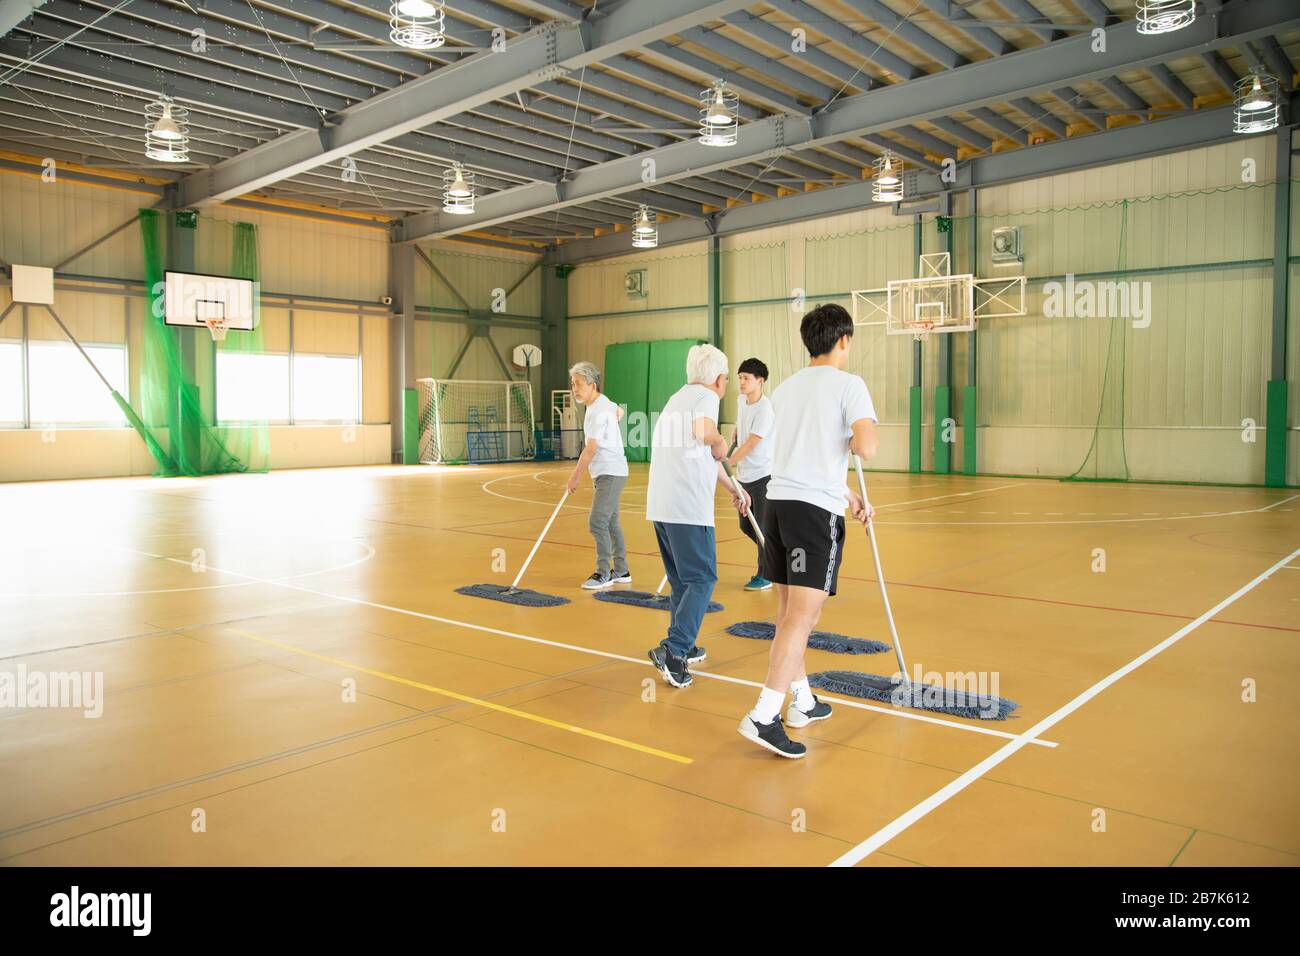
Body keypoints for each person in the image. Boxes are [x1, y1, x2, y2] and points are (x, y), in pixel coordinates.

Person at [737, 304, 879, 758]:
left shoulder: (789, 388)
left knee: (788, 613)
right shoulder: (850, 385)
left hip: (779, 505)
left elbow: (806, 453)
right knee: (802, 617)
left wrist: (847, 493)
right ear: (844, 340)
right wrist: (857, 441)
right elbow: (868, 448)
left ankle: (802, 702)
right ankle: (763, 715)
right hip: (815, 515)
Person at [645, 344, 750, 688]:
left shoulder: (676, 399)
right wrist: (720, 439)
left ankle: (684, 645)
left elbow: (702, 454)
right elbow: (705, 435)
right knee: (702, 579)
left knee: (682, 582)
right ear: (719, 380)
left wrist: (733, 488)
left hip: (662, 507)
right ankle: (674, 652)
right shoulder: (707, 399)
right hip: (688, 509)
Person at [566, 361, 631, 590]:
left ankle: (603, 573)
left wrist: (575, 477)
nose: (575, 388)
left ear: (592, 384)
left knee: (597, 522)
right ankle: (622, 571)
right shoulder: (603, 404)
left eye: (579, 384)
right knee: (611, 522)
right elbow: (620, 411)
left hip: (609, 471)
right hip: (609, 471)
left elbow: (591, 448)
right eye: (573, 384)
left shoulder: (598, 410)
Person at [727, 357, 775, 592]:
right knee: (747, 526)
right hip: (744, 476)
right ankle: (775, 555)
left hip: (762, 474)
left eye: (746, 378)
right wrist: (736, 432)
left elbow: (752, 443)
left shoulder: (766, 408)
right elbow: (741, 432)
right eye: (740, 378)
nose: (742, 383)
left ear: (760, 380)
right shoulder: (741, 400)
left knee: (761, 527)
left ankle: (765, 574)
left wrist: (727, 462)